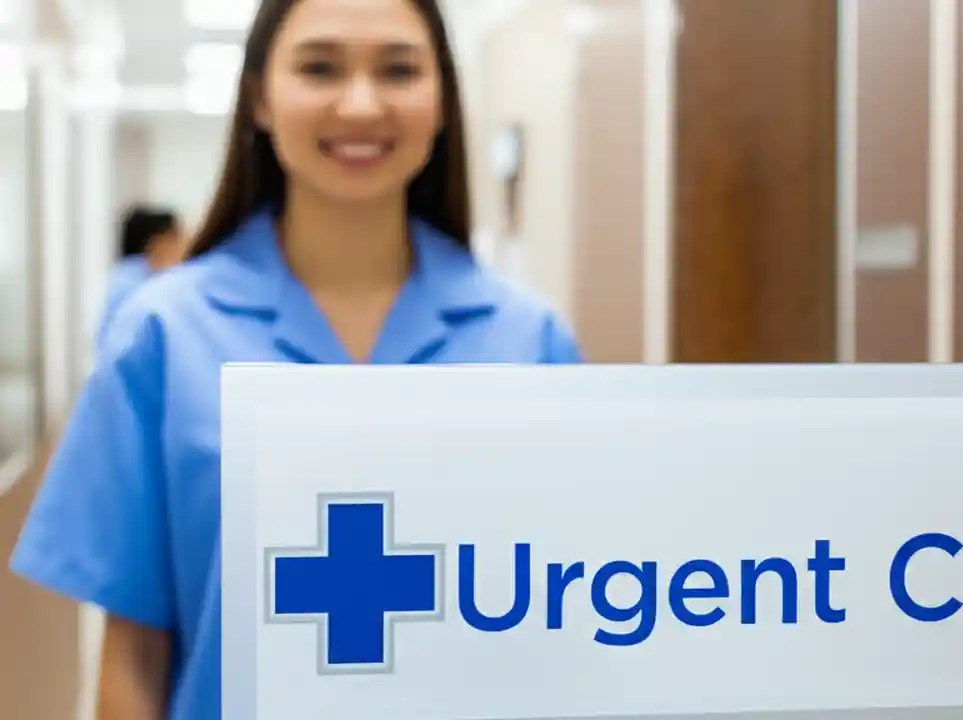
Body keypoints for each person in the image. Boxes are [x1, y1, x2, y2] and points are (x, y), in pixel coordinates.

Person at [9, 0, 582, 718]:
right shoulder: (161, 336)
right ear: (259, 99)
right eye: (319, 67)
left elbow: (566, 631)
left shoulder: (530, 343)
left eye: (400, 70)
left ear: (442, 102)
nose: (362, 103)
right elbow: (133, 654)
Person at [97, 206, 186, 345]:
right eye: (176, 238)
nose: (183, 247)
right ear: (158, 242)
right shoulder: (140, 285)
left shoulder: (125, 276)